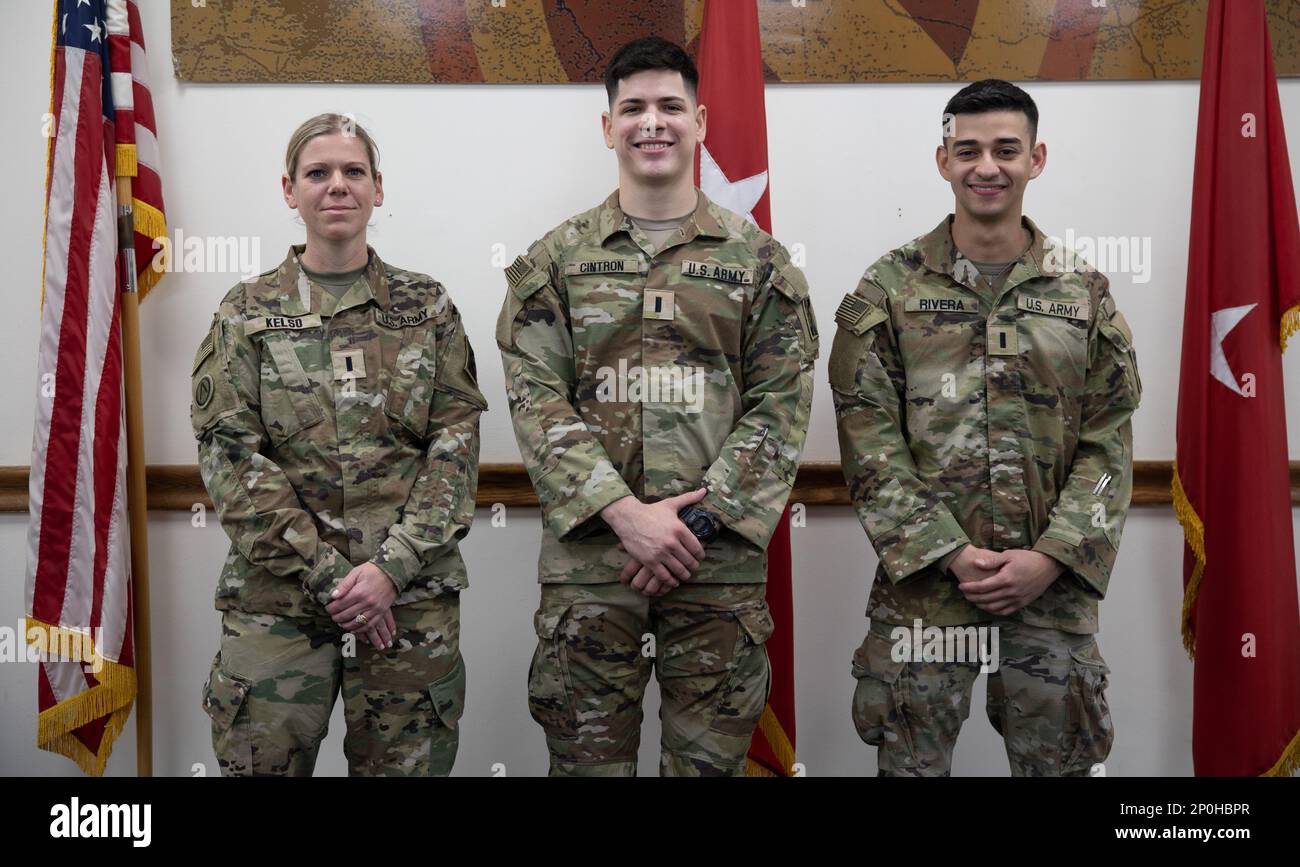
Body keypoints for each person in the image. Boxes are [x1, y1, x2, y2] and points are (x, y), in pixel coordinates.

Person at [496, 37, 817, 776]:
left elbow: (782, 402)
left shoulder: (759, 263)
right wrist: (625, 513)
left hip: (715, 565)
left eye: (670, 106)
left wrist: (694, 523)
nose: (653, 122)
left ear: (701, 121)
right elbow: (536, 399)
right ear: (607, 127)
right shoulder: (555, 261)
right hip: (592, 570)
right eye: (633, 107)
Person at [828, 80, 1141, 776]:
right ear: (943, 161)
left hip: (1049, 593)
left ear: (1037, 158)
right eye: (967, 150)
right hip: (927, 590)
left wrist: (1053, 554)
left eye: (1006, 149)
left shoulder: (1083, 292)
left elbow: (1108, 438)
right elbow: (866, 435)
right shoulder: (888, 288)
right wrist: (950, 552)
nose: (986, 167)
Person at [192, 113, 486, 776]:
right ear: (289, 190)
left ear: (378, 189)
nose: (337, 186)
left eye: (354, 171)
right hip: (279, 604)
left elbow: (455, 449)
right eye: (317, 172)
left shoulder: (428, 307)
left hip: (408, 602)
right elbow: (231, 458)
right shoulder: (245, 311)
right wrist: (331, 578)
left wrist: (389, 570)